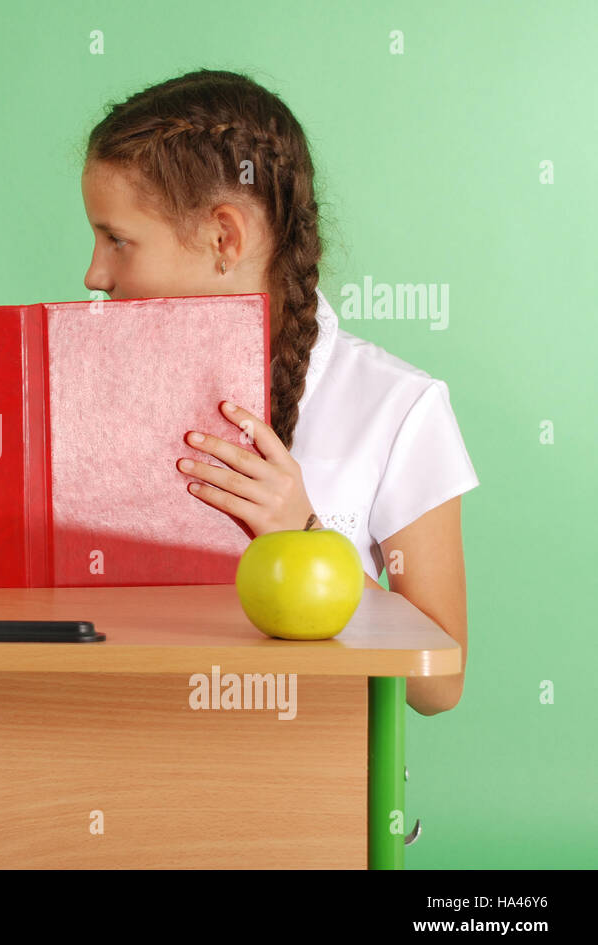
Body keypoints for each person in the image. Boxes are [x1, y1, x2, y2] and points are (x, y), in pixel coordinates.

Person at [80, 69, 478, 715]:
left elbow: (436, 686)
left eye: (118, 240)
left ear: (224, 238)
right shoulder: (86, 383)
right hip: (121, 759)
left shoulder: (398, 407)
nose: (95, 274)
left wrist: (307, 533)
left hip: (308, 782)